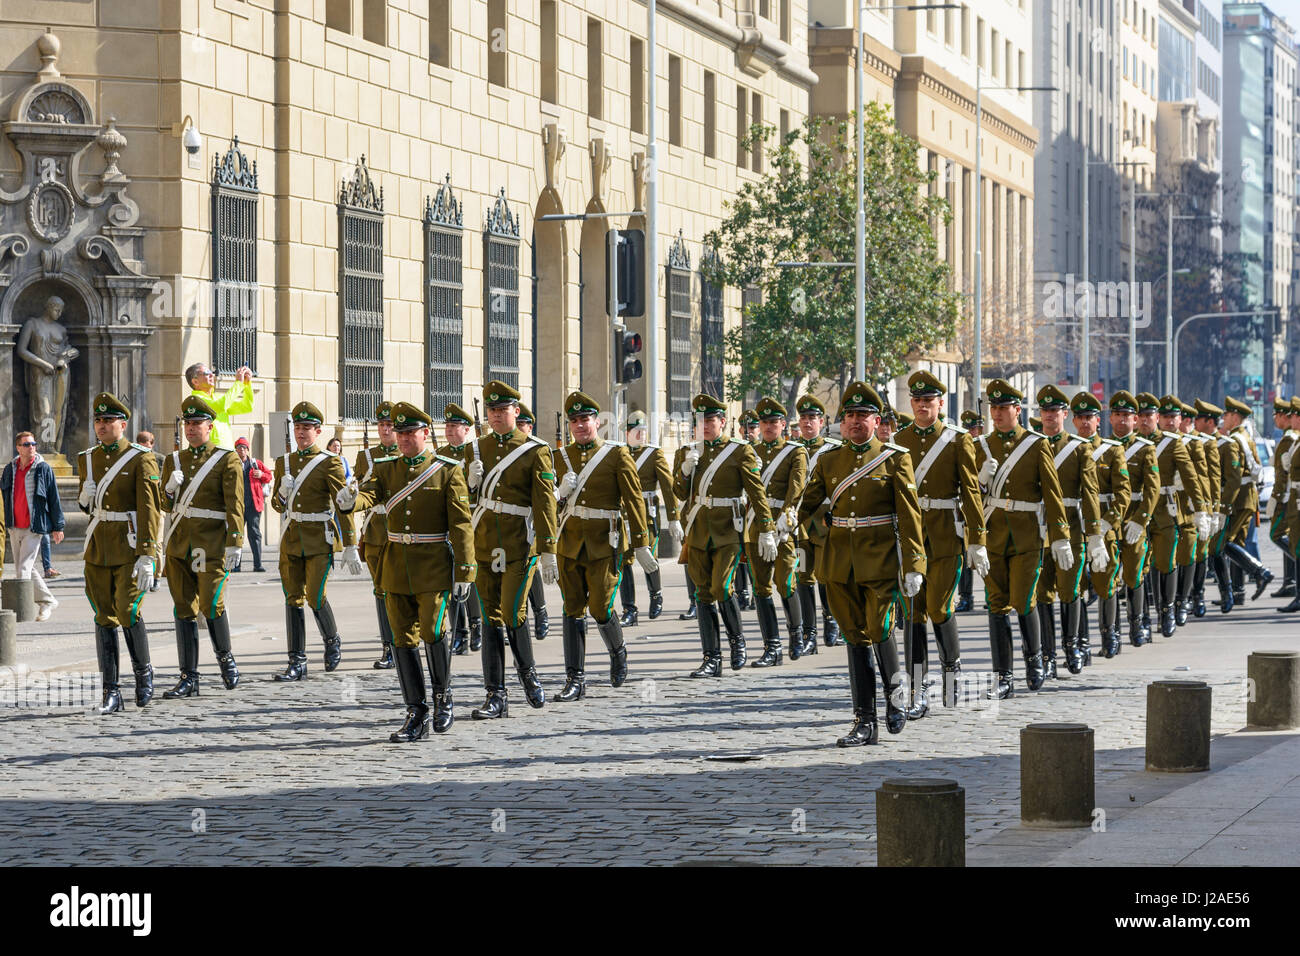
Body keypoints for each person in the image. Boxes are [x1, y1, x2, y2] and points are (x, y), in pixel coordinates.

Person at [340, 402, 475, 740]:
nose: (401, 438)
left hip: (433, 566)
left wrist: (465, 570)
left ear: (425, 434)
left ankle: (443, 698)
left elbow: (460, 524)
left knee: (432, 630)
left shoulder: (446, 470)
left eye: (408, 433)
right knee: (402, 639)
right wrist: (349, 500)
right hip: (396, 566)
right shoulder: (386, 469)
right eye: (399, 433)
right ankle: (416, 711)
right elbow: (369, 494)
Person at [798, 382, 924, 745]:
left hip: (880, 561)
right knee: (855, 637)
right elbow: (806, 511)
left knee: (880, 627)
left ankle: (897, 700)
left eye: (862, 416)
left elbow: (910, 514)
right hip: (839, 564)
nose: (855, 422)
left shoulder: (895, 458)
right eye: (849, 415)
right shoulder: (827, 461)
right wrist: (823, 536)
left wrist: (914, 564)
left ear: (876, 420)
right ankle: (864, 720)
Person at [972, 379, 1071, 699]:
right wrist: (981, 480)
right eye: (993, 408)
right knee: (996, 604)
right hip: (993, 535)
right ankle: (1003, 675)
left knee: (1025, 599)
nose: (997, 414)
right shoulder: (980, 447)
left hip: (1028, 536)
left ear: (1017, 409)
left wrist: (1060, 537)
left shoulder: (1036, 444)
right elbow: (970, 498)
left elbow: (1053, 496)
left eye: (1003, 408)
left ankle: (1034, 662)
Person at [893, 371, 985, 715]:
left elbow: (971, 491)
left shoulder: (957, 440)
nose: (921, 405)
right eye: (916, 400)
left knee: (940, 608)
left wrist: (977, 539)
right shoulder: (900, 439)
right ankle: (917, 691)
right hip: (911, 539)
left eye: (928, 400)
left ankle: (952, 670)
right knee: (913, 613)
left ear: (940, 404)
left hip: (946, 535)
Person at [552, 391, 654, 700]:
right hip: (568, 542)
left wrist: (640, 542)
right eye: (575, 421)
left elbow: (634, 500)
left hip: (604, 543)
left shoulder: (616, 454)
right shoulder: (559, 457)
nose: (581, 425)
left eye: (585, 419)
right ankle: (575, 679)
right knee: (571, 609)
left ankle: (618, 651)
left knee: (600, 607)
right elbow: (547, 504)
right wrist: (559, 492)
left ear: (597, 422)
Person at [467, 381, 558, 718]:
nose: (496, 416)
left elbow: (544, 501)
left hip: (520, 544)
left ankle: (528, 676)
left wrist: (548, 548)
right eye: (491, 411)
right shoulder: (476, 450)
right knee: (490, 620)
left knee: (512, 613)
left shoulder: (536, 450)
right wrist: (470, 483)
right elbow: (465, 502)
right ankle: (496, 695)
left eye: (502, 410)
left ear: (515, 412)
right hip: (484, 544)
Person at [674, 393, 776, 676]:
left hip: (728, 530)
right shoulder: (687, 451)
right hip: (697, 531)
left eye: (709, 420)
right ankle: (712, 658)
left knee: (721, 587)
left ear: (722, 421)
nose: (704, 425)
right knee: (703, 594)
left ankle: (737, 641)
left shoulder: (739, 451)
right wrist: (684, 471)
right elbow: (680, 492)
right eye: (699, 420)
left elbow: (756, 492)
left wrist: (766, 528)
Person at [78, 392, 162, 714]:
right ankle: (110, 690)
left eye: (108, 420)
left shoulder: (141, 458)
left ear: (122, 424)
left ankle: (144, 674)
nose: (101, 425)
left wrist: (147, 554)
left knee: (127, 610)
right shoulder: (87, 458)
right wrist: (85, 500)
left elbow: (149, 509)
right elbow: (89, 508)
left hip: (129, 548)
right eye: (98, 420)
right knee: (103, 616)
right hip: (98, 546)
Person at [158, 396, 245, 697]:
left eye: (197, 424)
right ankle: (188, 677)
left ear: (210, 426)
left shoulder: (226, 458)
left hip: (211, 543)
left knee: (211, 604)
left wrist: (235, 541)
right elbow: (164, 504)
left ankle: (226, 660)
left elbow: (235, 503)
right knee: (183, 608)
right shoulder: (174, 460)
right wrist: (169, 488)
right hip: (180, 544)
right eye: (188, 424)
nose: (191, 429)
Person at [269, 401, 361, 680]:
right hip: (292, 537)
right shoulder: (283, 463)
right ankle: (296, 661)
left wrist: (350, 545)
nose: (301, 433)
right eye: (297, 427)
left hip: (319, 538)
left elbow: (342, 503)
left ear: (318, 431)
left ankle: (331, 640)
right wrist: (283, 493)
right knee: (292, 599)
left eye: (307, 428)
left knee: (315, 596)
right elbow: (276, 504)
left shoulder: (329, 462)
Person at [1033, 385, 1106, 678]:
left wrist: (1095, 535)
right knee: (1041, 593)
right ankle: (1048, 654)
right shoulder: (1031, 445)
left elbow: (1089, 494)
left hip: (1072, 527)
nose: (1050, 416)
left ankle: (1072, 646)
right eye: (1045, 411)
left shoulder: (1079, 448)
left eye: (1055, 411)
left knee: (1070, 590)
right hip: (1038, 528)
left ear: (1065, 414)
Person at [743, 397, 808, 667]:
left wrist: (786, 518)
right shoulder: (749, 451)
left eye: (773, 422)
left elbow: (798, 486)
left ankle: (796, 635)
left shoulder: (795, 451)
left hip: (783, 525)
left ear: (783, 424)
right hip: (756, 524)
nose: (769, 426)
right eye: (764, 422)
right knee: (760, 587)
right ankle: (772, 647)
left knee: (785, 582)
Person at [1070, 391, 1131, 666]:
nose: (1085, 423)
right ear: (1073, 421)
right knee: (1076, 586)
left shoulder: (1111, 450)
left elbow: (1123, 492)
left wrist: (1108, 523)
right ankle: (1081, 643)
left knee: (1106, 584)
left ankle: (1109, 635)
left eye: (1089, 418)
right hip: (1073, 524)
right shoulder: (1064, 449)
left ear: (1098, 421)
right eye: (1080, 418)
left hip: (1104, 526)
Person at [1107, 391, 1160, 649]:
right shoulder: (1101, 447)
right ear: (1110, 418)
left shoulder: (1145, 449)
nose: (1121, 420)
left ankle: (1137, 624)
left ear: (1135, 419)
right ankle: (1112, 632)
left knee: (1134, 574)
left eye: (1127, 416)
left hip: (1134, 520)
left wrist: (1141, 520)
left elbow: (1153, 488)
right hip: (1109, 520)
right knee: (1107, 577)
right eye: (1117, 415)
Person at [620, 410, 680, 626]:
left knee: (648, 557)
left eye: (643, 431)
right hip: (623, 513)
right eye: (635, 431)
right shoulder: (620, 453)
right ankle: (629, 608)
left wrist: (674, 517)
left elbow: (667, 485)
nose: (640, 435)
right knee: (624, 561)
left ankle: (656, 596)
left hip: (647, 514)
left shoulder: (654, 454)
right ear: (627, 433)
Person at [793, 394, 843, 651]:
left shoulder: (833, 450)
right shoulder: (791, 450)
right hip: (801, 526)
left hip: (824, 523)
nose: (808, 422)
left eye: (812, 418)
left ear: (821, 421)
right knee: (803, 578)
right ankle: (808, 634)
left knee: (825, 577)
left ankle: (831, 620)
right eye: (803, 418)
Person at [351, 402, 399, 668]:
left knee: (400, 591)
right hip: (374, 533)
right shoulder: (365, 458)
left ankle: (406, 640)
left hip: (398, 532)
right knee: (380, 591)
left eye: (389, 425)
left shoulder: (405, 455)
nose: (385, 429)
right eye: (382, 425)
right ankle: (388, 647)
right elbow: (361, 493)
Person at [2, 431, 64, 621]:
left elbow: (53, 497)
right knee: (24, 566)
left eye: (33, 444)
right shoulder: (10, 469)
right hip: (14, 525)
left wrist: (58, 526)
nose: (32, 447)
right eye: (27, 444)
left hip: (34, 526)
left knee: (23, 569)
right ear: (18, 447)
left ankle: (25, 611)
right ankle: (48, 600)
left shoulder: (43, 468)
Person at [440, 403, 484, 654]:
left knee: (470, 576)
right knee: (451, 577)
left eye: (454, 426)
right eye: (447, 426)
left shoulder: (475, 453)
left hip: (473, 521)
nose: (449, 430)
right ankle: (459, 631)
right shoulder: (441, 454)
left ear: (466, 429)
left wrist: (474, 483)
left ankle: (477, 625)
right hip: (448, 523)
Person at [1222, 395, 1274, 600]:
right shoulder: (1245, 436)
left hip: (1239, 498)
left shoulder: (1236, 439)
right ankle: (1238, 591)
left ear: (1234, 417)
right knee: (1238, 542)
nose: (1224, 418)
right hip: (1247, 496)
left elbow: (1235, 478)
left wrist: (1225, 505)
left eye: (1226, 414)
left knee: (1225, 543)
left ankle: (1260, 572)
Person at [516, 403, 550, 640]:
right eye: (517, 425)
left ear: (530, 426)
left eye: (523, 425)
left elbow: (550, 490)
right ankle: (523, 618)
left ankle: (540, 612)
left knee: (531, 567)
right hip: (510, 522)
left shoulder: (539, 450)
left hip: (532, 519)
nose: (519, 429)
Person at [953, 409, 986, 613]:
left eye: (973, 427)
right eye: (967, 428)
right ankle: (966, 596)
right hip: (962, 508)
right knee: (965, 556)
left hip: (987, 510)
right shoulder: (959, 445)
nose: (971, 431)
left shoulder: (987, 448)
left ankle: (993, 595)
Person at [1266, 397, 1297, 597]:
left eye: (1277, 415)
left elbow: (1283, 474)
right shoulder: (1289, 437)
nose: (1276, 419)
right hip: (1288, 496)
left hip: (1287, 497)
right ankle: (1290, 581)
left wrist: (1277, 496)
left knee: (1278, 535)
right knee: (1288, 536)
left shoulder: (1289, 439)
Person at [184, 361, 254, 451]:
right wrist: (239, 383)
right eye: (207, 374)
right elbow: (221, 406)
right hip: (211, 453)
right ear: (195, 381)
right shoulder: (196, 399)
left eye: (212, 373)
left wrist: (247, 384)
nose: (212, 375)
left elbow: (246, 407)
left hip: (227, 451)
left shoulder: (217, 398)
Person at [233, 437, 271, 572]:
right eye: (238, 448)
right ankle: (236, 565)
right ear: (235, 450)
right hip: (237, 506)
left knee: (254, 534)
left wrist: (261, 474)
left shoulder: (255, 463)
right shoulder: (232, 464)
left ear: (247, 450)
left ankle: (257, 564)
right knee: (237, 535)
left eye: (243, 448)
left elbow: (269, 476)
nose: (241, 450)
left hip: (254, 505)